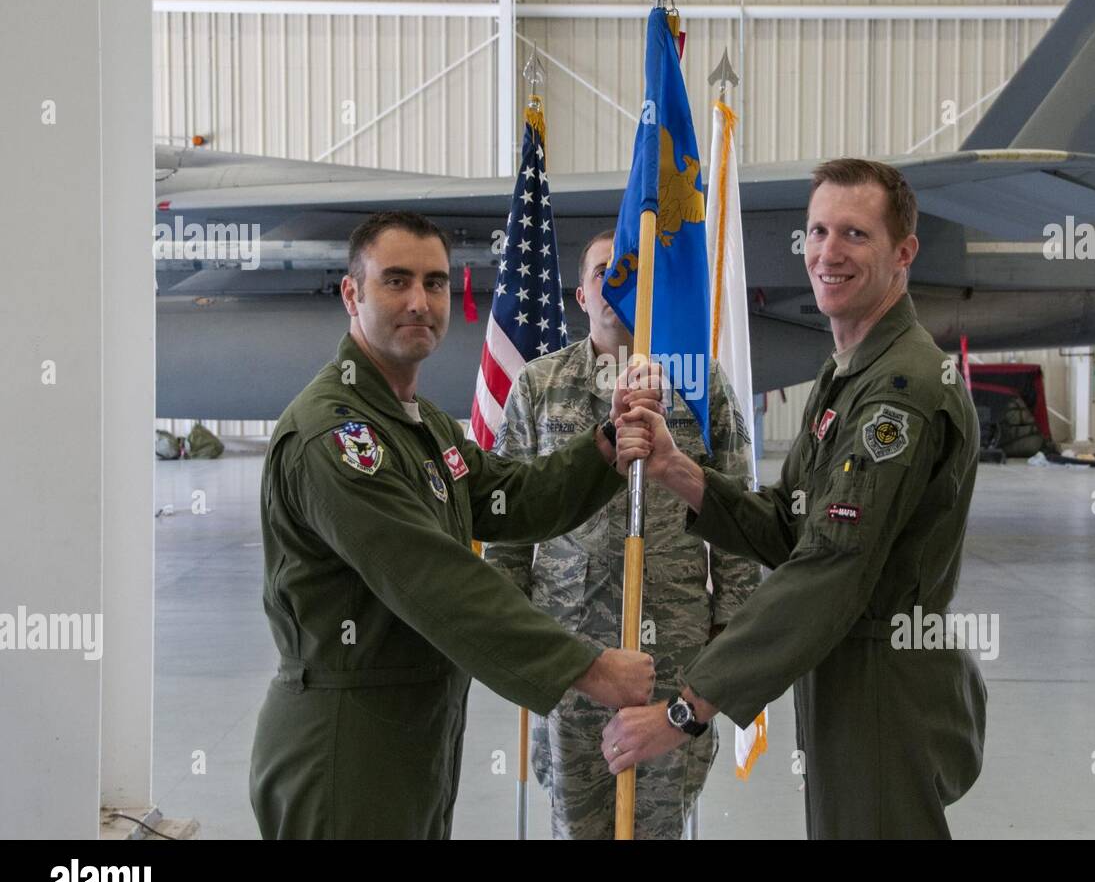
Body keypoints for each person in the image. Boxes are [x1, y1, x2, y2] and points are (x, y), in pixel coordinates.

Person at [603, 159, 988, 840]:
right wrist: (675, 469)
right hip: (843, 667)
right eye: (817, 231)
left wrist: (686, 710)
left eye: (855, 234)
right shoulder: (848, 374)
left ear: (904, 253)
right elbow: (792, 525)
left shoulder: (902, 392)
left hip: (883, 680)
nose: (827, 253)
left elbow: (830, 566)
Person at [250, 211, 657, 839]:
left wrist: (604, 444)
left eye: (435, 282)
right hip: (345, 737)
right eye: (396, 281)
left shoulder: (421, 425)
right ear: (351, 294)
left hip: (416, 728)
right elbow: (433, 579)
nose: (419, 301)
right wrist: (587, 667)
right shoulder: (336, 437)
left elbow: (511, 498)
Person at [484, 230, 762, 840]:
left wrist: (726, 644)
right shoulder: (538, 386)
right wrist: (518, 650)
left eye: (630, 272)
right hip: (570, 658)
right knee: (576, 827)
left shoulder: (699, 385)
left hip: (673, 661)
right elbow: (507, 527)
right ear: (580, 296)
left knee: (659, 827)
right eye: (601, 273)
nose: (616, 284)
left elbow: (739, 520)